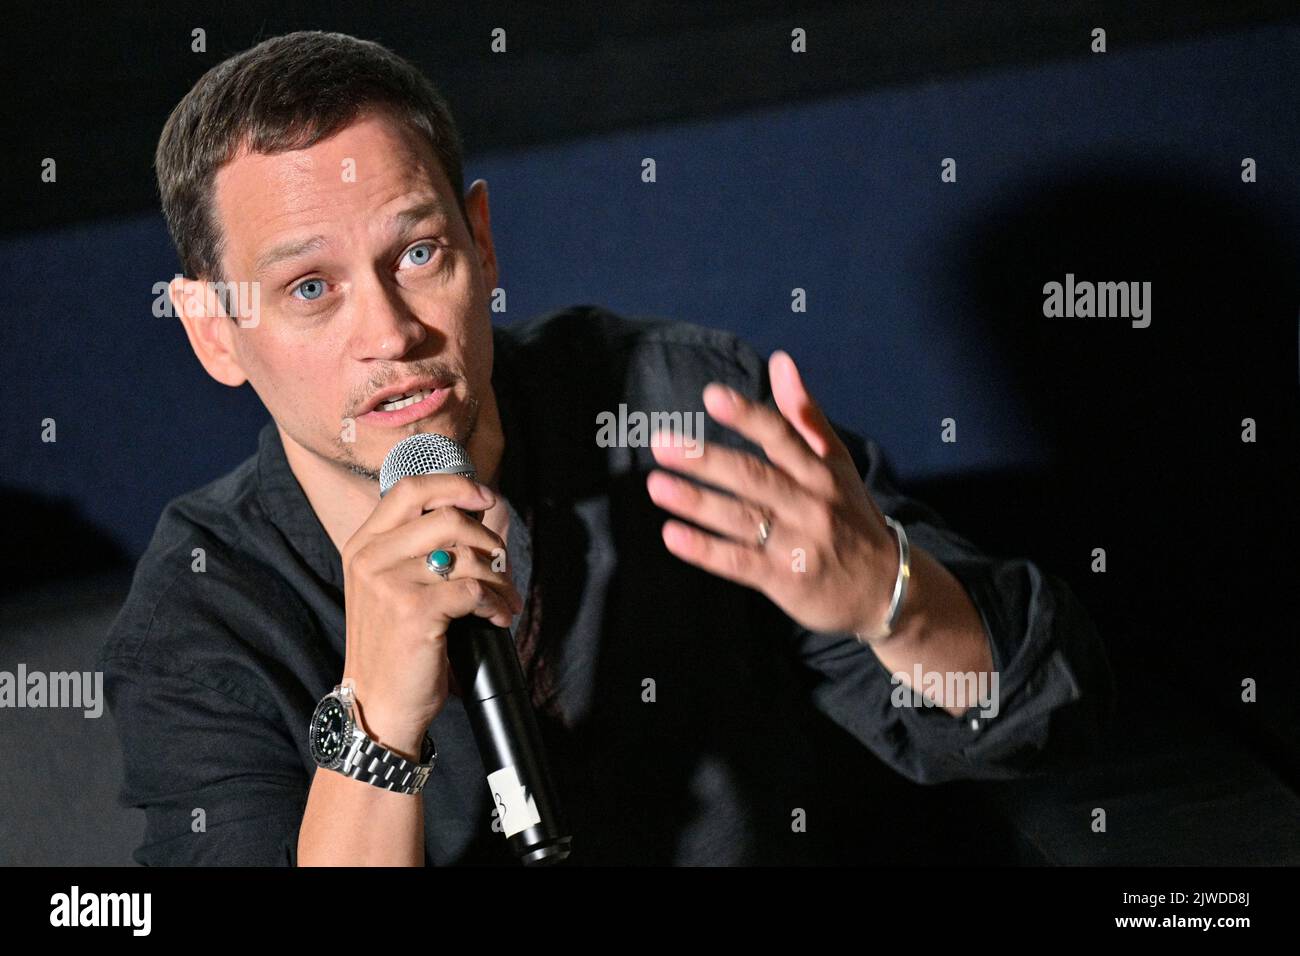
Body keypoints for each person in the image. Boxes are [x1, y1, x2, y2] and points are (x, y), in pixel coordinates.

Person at [99, 30, 1115, 866]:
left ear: (481, 240)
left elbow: (1044, 714)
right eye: (310, 288)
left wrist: (887, 597)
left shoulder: (677, 405)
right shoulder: (203, 616)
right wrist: (373, 724)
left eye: (418, 253)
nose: (393, 334)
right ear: (213, 330)